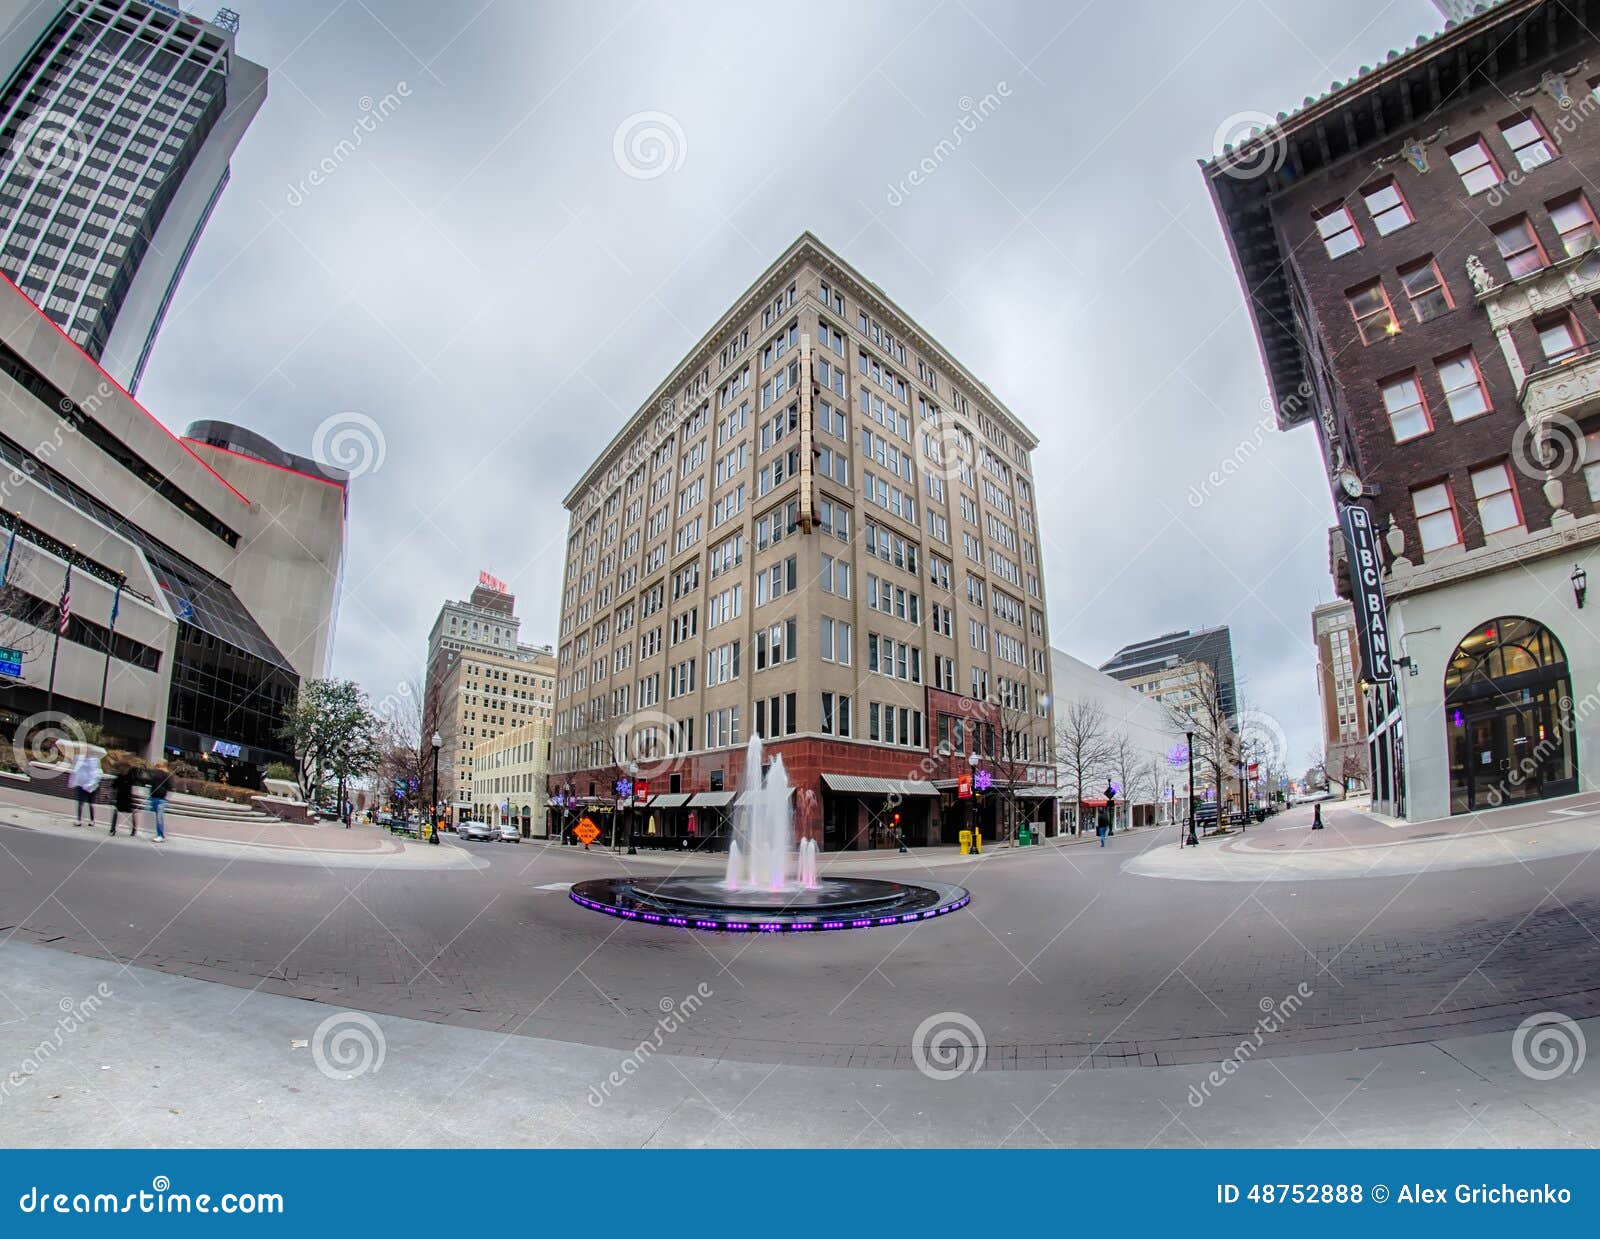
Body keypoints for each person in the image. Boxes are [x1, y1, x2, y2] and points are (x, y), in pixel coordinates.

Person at [68, 749, 101, 825]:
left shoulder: (91, 760)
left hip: (87, 784)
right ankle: (85, 820)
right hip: (85, 784)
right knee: (85, 803)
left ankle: (86, 820)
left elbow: (96, 773)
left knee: (87, 803)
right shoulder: (94, 760)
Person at [107, 763, 138, 837]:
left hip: (120, 797)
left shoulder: (120, 777)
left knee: (116, 813)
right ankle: (134, 829)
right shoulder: (131, 777)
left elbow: (113, 786)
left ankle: (112, 829)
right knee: (131, 813)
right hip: (127, 798)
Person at [147, 763, 171, 842]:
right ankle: (160, 835)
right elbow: (169, 787)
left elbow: (151, 784)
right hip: (161, 798)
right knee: (159, 817)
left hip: (154, 797)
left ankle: (160, 835)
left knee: (158, 817)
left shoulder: (154, 775)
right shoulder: (167, 775)